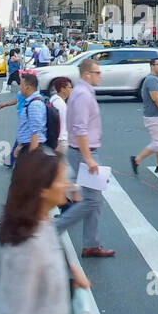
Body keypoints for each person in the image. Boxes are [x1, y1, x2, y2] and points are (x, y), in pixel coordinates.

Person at [0, 148, 91, 314]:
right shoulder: (27, 248)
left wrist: (70, 273)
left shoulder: (41, 224)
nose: (67, 184)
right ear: (42, 190)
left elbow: (48, 258)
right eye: (61, 180)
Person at [54, 59, 116, 258]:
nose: (100, 76)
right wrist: (88, 158)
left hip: (85, 151)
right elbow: (80, 129)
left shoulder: (83, 93)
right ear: (87, 74)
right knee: (91, 201)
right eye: (97, 72)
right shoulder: (82, 95)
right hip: (83, 152)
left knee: (94, 201)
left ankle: (91, 244)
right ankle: (52, 231)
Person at [14, 73, 49, 163]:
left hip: (32, 147)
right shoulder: (30, 102)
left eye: (21, 84)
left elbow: (35, 132)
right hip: (26, 146)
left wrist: (32, 158)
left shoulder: (34, 105)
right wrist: (20, 145)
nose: (19, 87)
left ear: (28, 87)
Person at [49, 77, 72, 154]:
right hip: (61, 141)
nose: (71, 90)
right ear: (62, 89)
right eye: (70, 87)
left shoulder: (53, 100)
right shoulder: (60, 105)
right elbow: (61, 124)